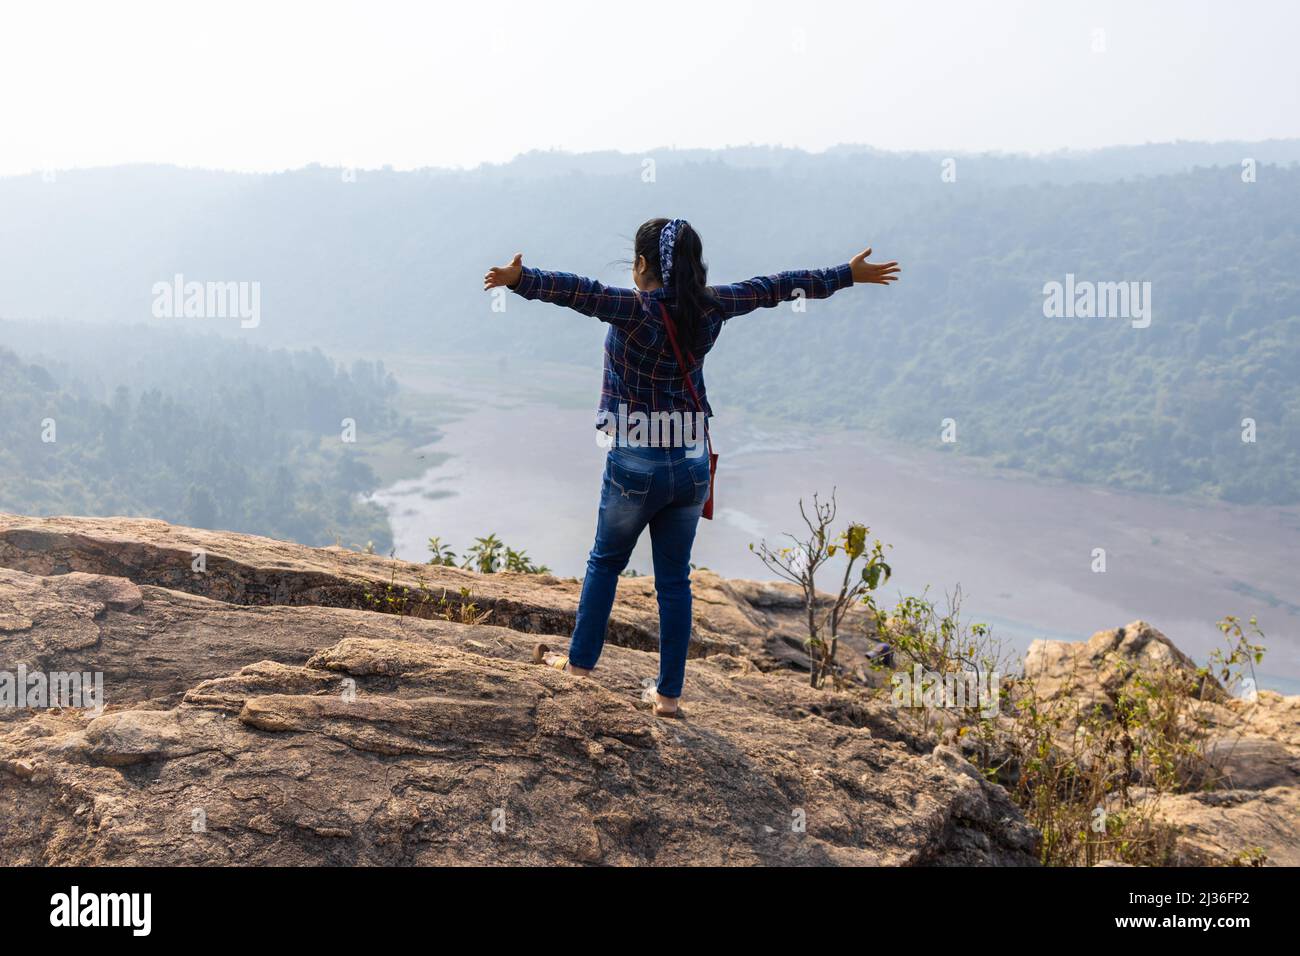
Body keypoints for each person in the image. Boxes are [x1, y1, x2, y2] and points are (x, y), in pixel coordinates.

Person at [483, 218, 899, 717]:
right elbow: (775, 288)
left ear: (641, 266)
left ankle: (578, 671)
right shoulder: (712, 304)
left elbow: (579, 292)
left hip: (635, 460)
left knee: (605, 563)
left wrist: (519, 281)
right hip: (691, 462)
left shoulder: (632, 309)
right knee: (674, 582)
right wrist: (846, 275)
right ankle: (668, 698)